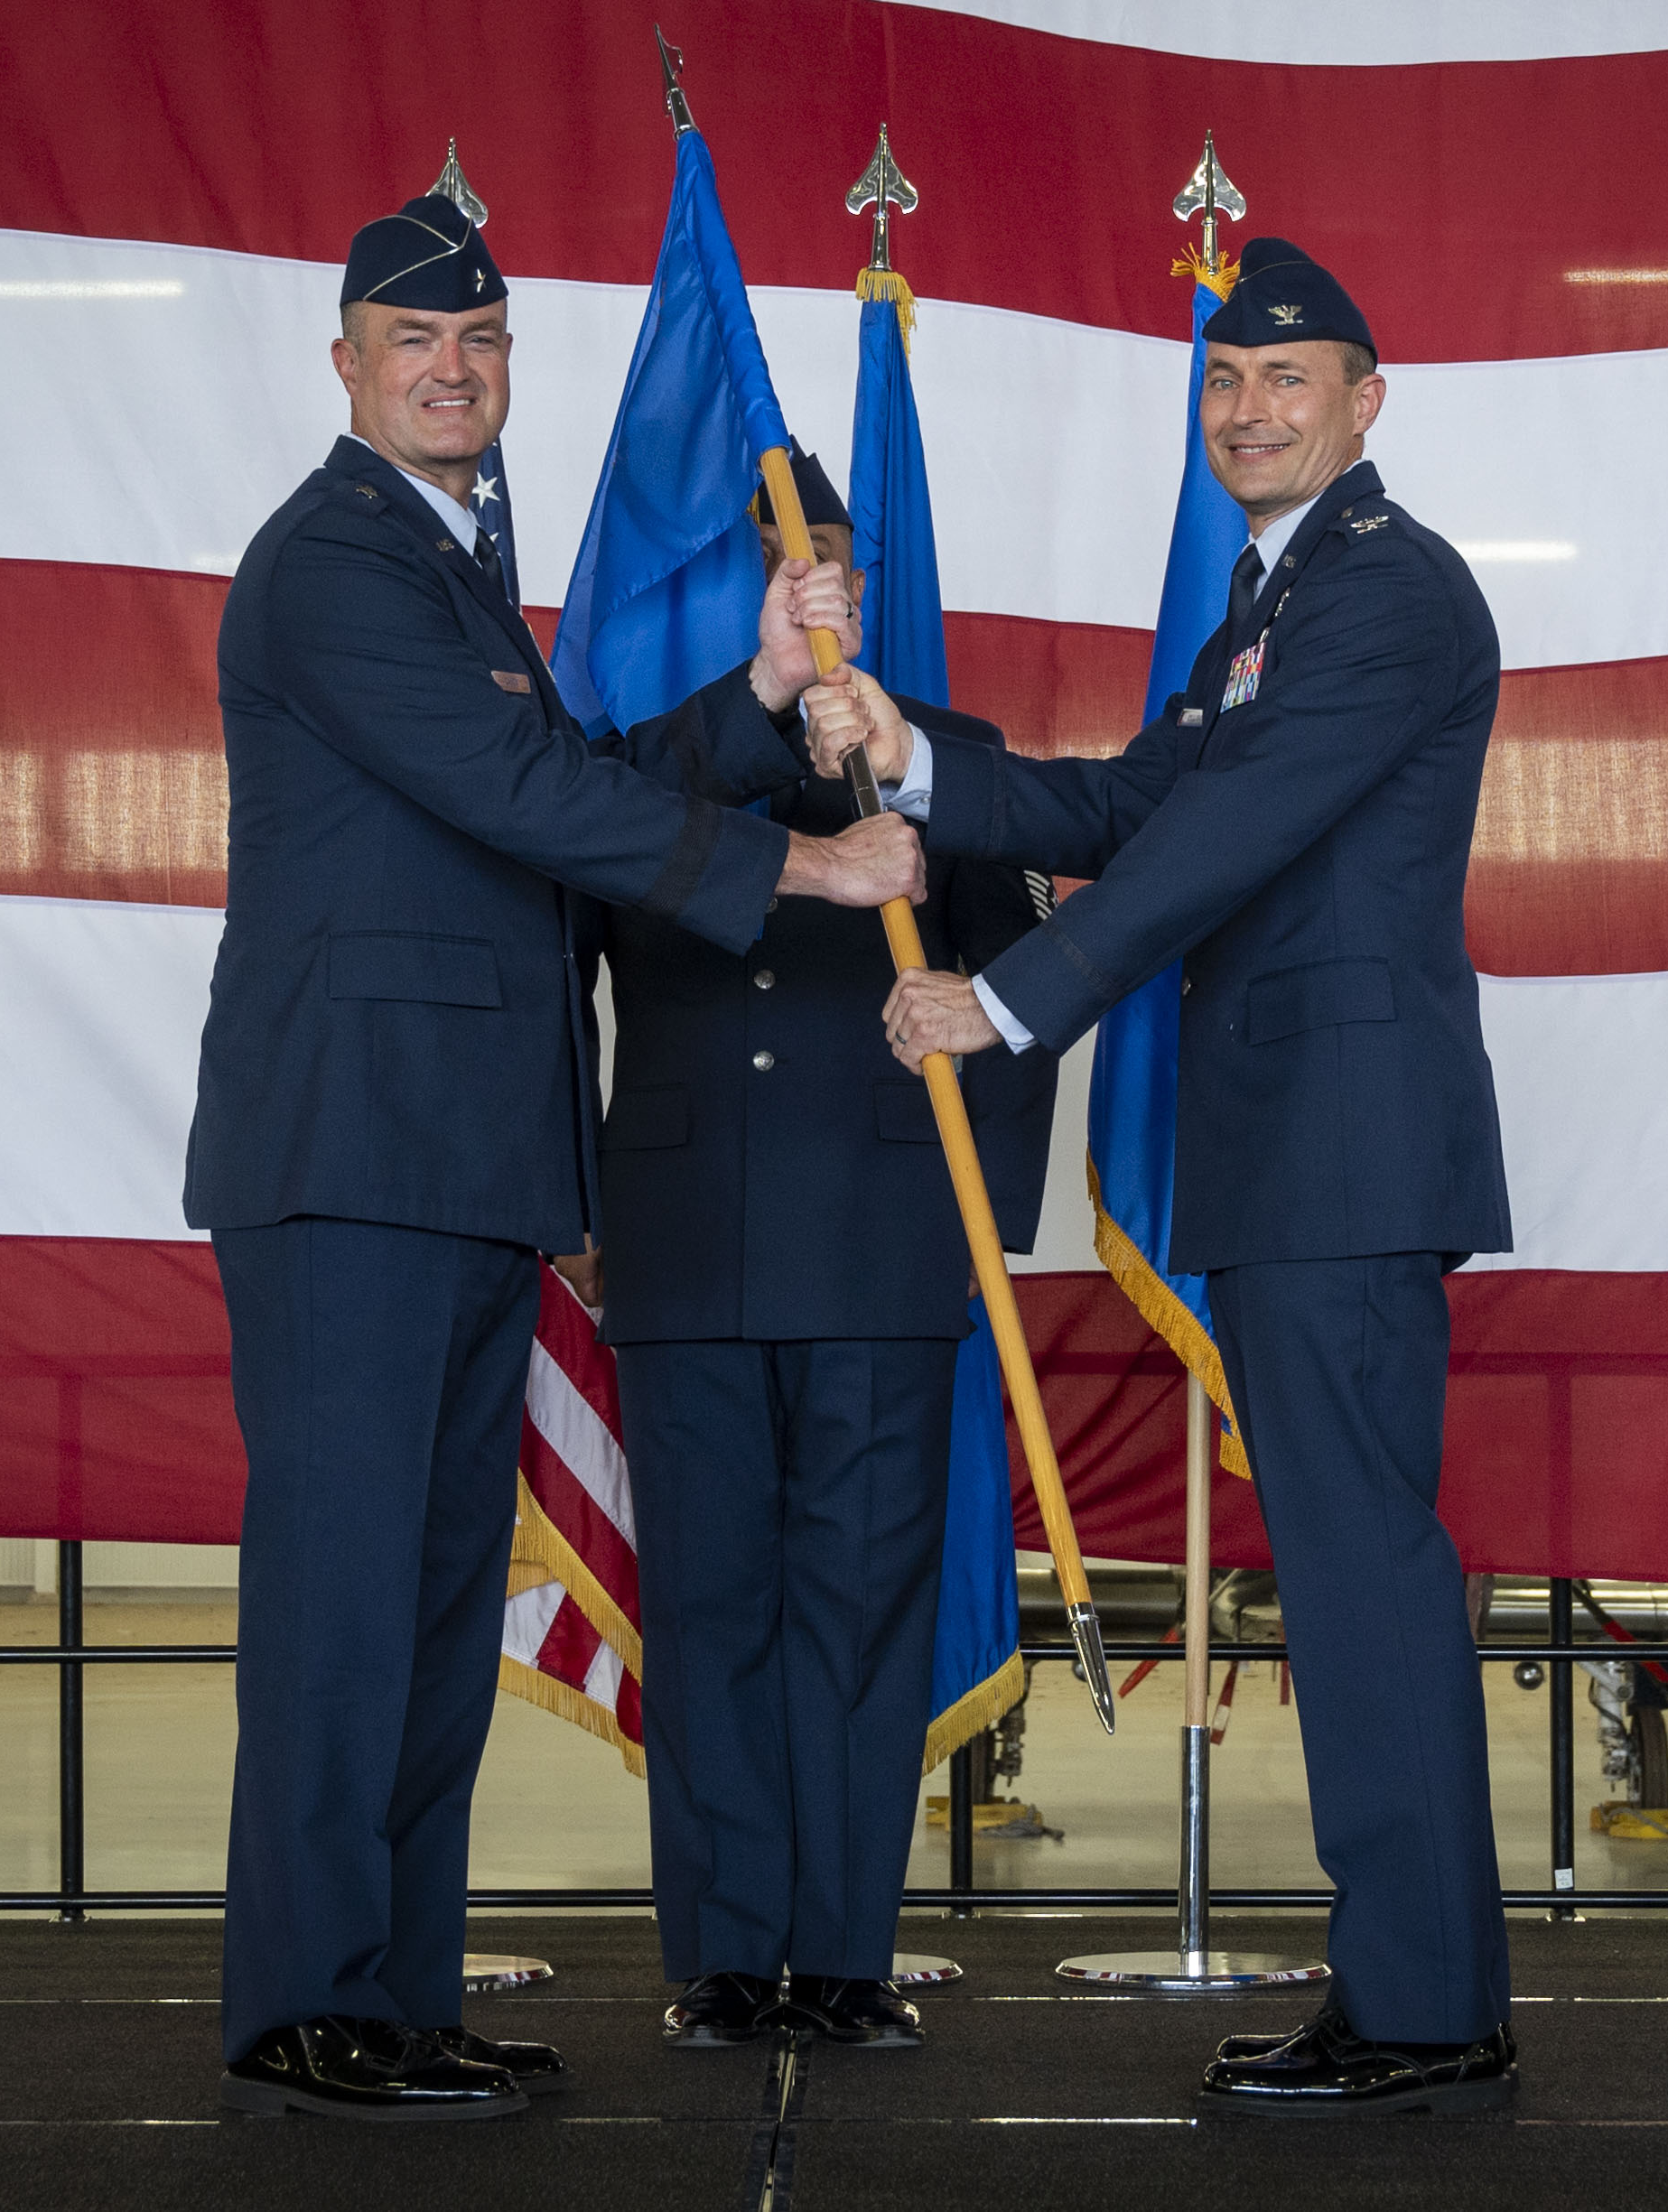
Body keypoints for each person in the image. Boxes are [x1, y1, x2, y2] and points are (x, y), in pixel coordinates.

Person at [186, 188, 921, 2122]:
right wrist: (808, 857)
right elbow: (521, 792)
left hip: (450, 1169)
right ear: (344, 364)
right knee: (349, 1601)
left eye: (482, 339)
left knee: (427, 1600)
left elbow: (570, 783)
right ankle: (303, 2008)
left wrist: (757, 697)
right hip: (349, 1165)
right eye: (414, 340)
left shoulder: (452, 572)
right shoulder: (337, 562)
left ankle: (391, 1992)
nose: (452, 368)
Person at [806, 237, 1517, 2117]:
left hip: (1347, 1156)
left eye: (1289, 381)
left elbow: (1230, 840)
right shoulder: (1269, 607)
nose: (1247, 410)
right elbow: (1139, 799)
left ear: (1367, 403)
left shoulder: (1389, 593)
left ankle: (1426, 2001)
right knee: (1349, 1578)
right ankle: (1413, 1982)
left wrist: (1012, 999)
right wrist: (922, 759)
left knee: (1363, 1575)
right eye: (1223, 383)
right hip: (1290, 1151)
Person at [568, 443, 1058, 2056]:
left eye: (823, 556)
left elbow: (1029, 1006)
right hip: (688, 1247)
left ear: (860, 575)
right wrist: (571, 1196)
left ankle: (843, 1953)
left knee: (858, 1606)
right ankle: (720, 1955)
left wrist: (987, 1218)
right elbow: (561, 939)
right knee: (711, 1606)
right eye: (772, 560)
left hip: (880, 1246)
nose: (803, 580)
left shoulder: (950, 762)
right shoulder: (643, 764)